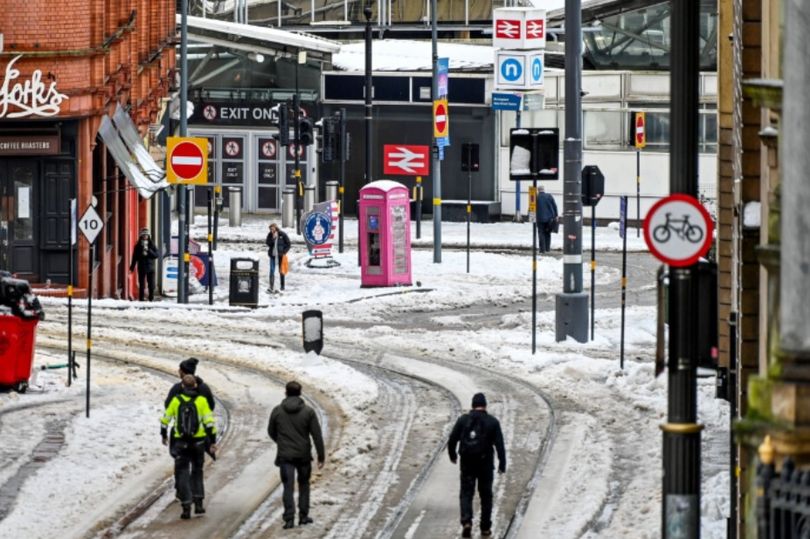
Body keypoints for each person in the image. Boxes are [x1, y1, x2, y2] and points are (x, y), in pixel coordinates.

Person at [268, 381, 325, 530]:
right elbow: (316, 435)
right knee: (304, 484)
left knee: (288, 486)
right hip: (303, 455)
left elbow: (271, 431)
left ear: (285, 392)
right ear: (300, 393)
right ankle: (304, 516)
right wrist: (321, 456)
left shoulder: (277, 411)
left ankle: (289, 519)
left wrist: (281, 443)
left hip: (285, 456)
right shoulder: (308, 412)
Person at [448, 393, 507, 538]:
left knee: (466, 493)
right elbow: (499, 444)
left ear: (473, 405)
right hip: (485, 464)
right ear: (485, 406)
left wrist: (453, 455)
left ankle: (467, 521)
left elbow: (452, 439)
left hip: (467, 463)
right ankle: (485, 528)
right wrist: (502, 463)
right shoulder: (492, 422)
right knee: (486, 496)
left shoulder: (463, 420)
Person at [161, 374, 218, 520]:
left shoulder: (176, 401)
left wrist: (164, 434)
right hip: (198, 442)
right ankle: (198, 503)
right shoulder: (201, 401)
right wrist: (212, 441)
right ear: (195, 386)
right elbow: (209, 423)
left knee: (182, 472)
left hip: (181, 443)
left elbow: (165, 419)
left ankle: (186, 506)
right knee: (197, 471)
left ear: (182, 386)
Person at [129, 228, 159, 301]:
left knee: (151, 284)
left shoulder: (152, 245)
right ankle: (141, 299)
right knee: (141, 284)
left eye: (146, 235)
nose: (145, 237)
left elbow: (156, 255)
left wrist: (148, 250)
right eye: (144, 235)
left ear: (149, 236)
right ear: (141, 236)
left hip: (150, 267)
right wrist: (132, 268)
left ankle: (151, 298)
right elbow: (134, 257)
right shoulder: (138, 246)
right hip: (141, 267)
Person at [265, 223, 291, 293]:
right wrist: (272, 239)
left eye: (272, 229)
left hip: (280, 256)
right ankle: (271, 286)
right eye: (270, 229)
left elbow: (288, 244)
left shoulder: (282, 234)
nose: (271, 230)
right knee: (272, 270)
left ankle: (282, 286)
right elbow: (267, 243)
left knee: (281, 271)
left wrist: (284, 252)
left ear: (276, 228)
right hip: (272, 255)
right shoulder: (270, 235)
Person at [535, 186, 559, 253]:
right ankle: (547, 248)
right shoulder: (549, 196)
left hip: (539, 218)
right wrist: (556, 215)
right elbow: (555, 206)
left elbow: (532, 208)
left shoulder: (536, 197)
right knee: (548, 233)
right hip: (549, 218)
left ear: (538, 190)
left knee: (541, 233)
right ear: (543, 190)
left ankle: (542, 249)